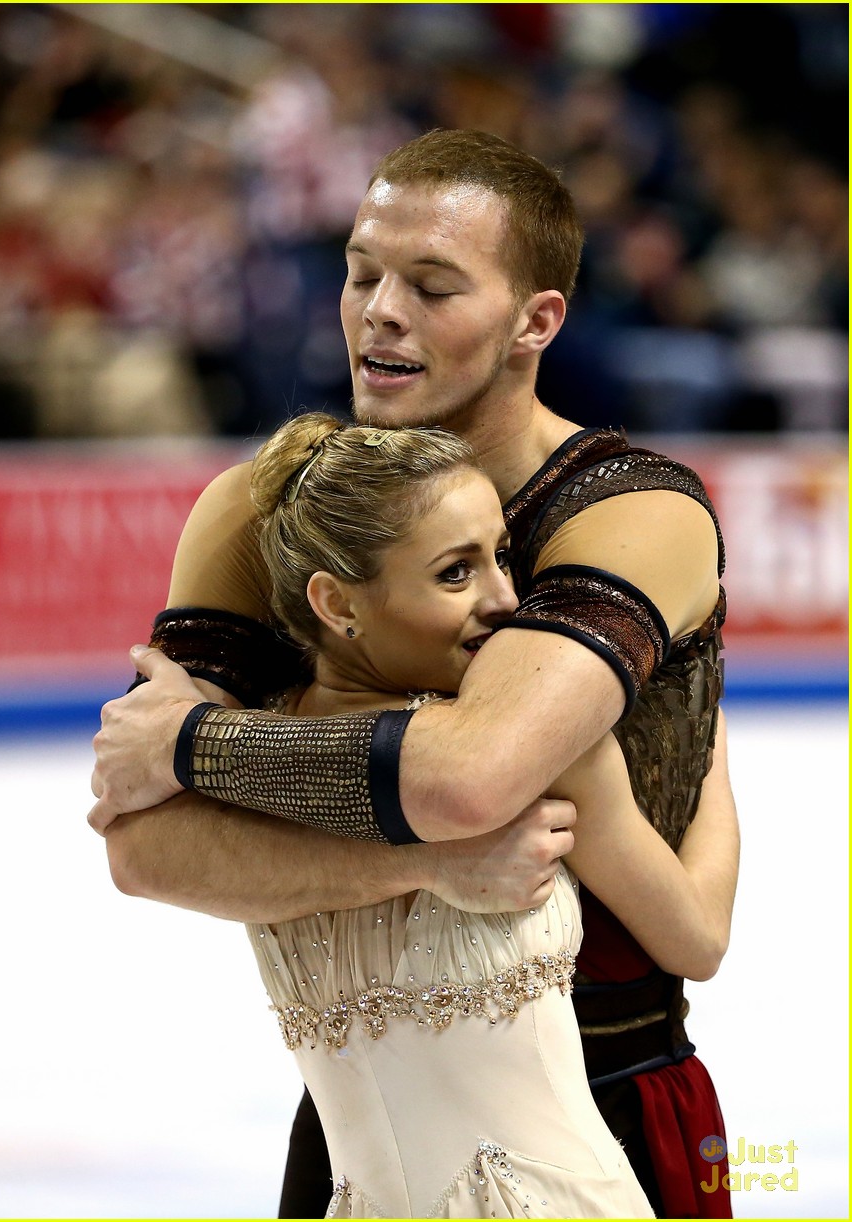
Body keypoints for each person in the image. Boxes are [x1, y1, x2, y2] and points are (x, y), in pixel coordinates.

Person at [90, 129, 738, 1218]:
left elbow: (470, 779)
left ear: (535, 321)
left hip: (613, 1103)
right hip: (355, 1131)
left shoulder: (629, 511)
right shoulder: (260, 513)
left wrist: (193, 743)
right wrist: (420, 870)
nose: (378, 312)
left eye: (432, 286)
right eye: (360, 275)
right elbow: (143, 846)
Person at [192, 409, 733, 1218]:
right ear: (336, 603)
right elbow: (696, 935)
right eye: (454, 573)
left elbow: (693, 946)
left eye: (500, 557)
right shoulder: (532, 759)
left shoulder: (242, 755)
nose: (505, 599)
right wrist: (711, 733)